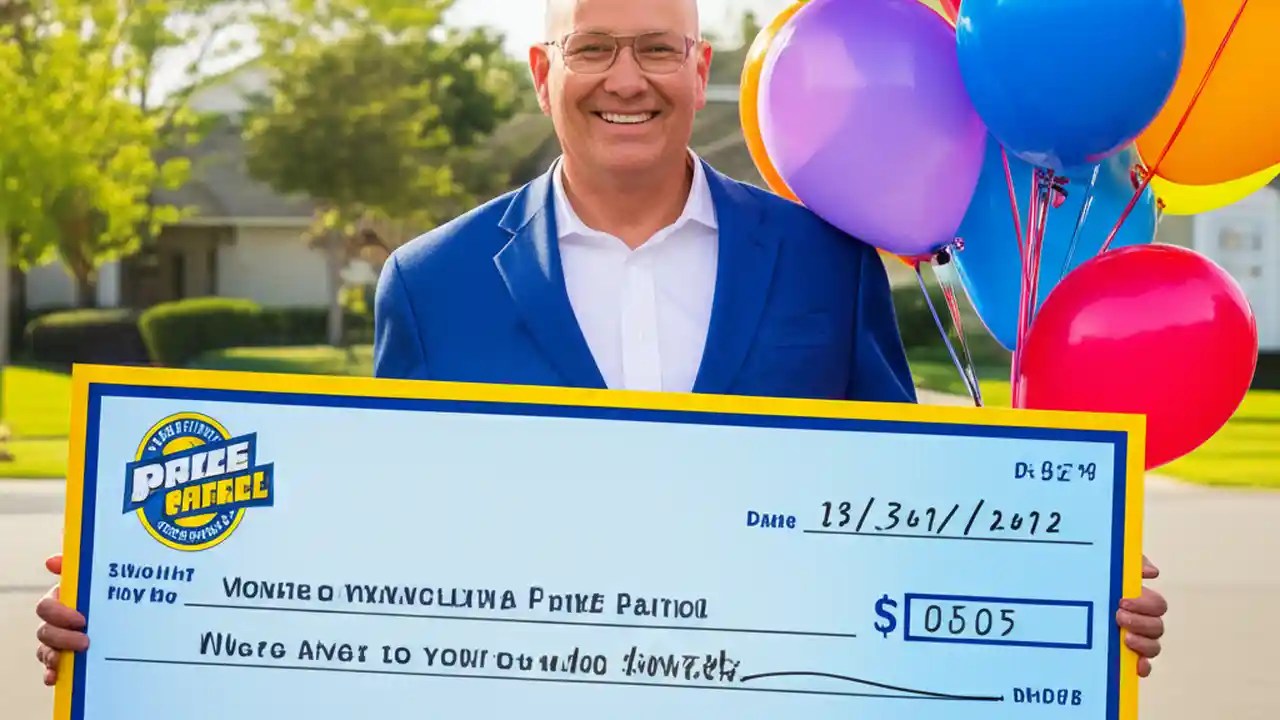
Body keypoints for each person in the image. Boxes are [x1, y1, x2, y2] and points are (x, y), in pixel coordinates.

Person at [34, 0, 1166, 686]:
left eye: (658, 51)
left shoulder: (825, 259)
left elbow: (902, 510)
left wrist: (1064, 594)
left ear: (698, 70)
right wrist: (141, 605)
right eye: (591, 50)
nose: (625, 80)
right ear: (544, 74)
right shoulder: (430, 287)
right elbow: (370, 545)